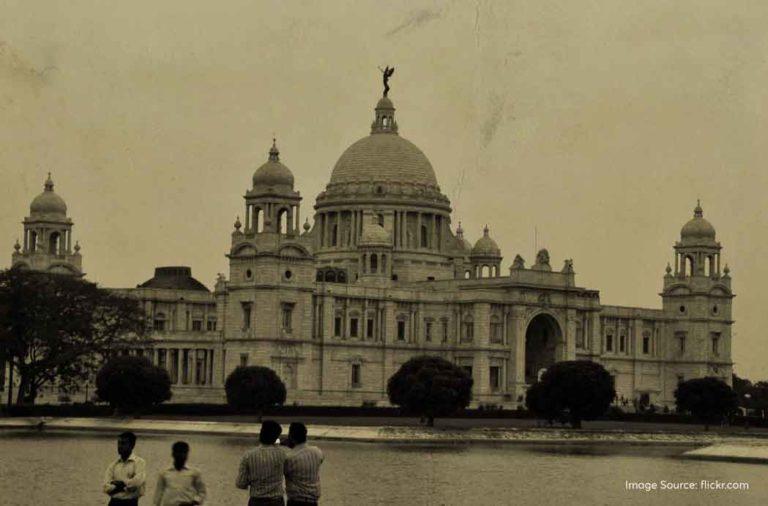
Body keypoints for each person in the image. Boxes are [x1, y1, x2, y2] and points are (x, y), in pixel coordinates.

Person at [236, 420, 289, 506]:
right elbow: (288, 473)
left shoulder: (249, 455)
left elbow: (240, 483)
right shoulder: (282, 455)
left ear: (261, 434)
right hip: (276, 501)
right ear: (276, 437)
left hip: (256, 501)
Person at [153, 441, 207, 506]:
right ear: (173, 454)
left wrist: (194, 502)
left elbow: (202, 491)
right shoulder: (164, 473)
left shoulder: (195, 473)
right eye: (178, 452)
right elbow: (158, 494)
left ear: (187, 455)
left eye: (184, 453)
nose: (181, 455)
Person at [284, 423, 324, 506]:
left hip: (296, 500)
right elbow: (321, 459)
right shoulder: (317, 452)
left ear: (291, 437)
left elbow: (284, 471)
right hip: (312, 501)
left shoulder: (290, 457)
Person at [103, 431, 147, 506]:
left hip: (130, 503)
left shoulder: (139, 463)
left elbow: (137, 483)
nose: (120, 446)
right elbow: (106, 487)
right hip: (113, 503)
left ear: (132, 445)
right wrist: (126, 485)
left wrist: (120, 484)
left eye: (123, 443)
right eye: (119, 443)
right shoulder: (113, 465)